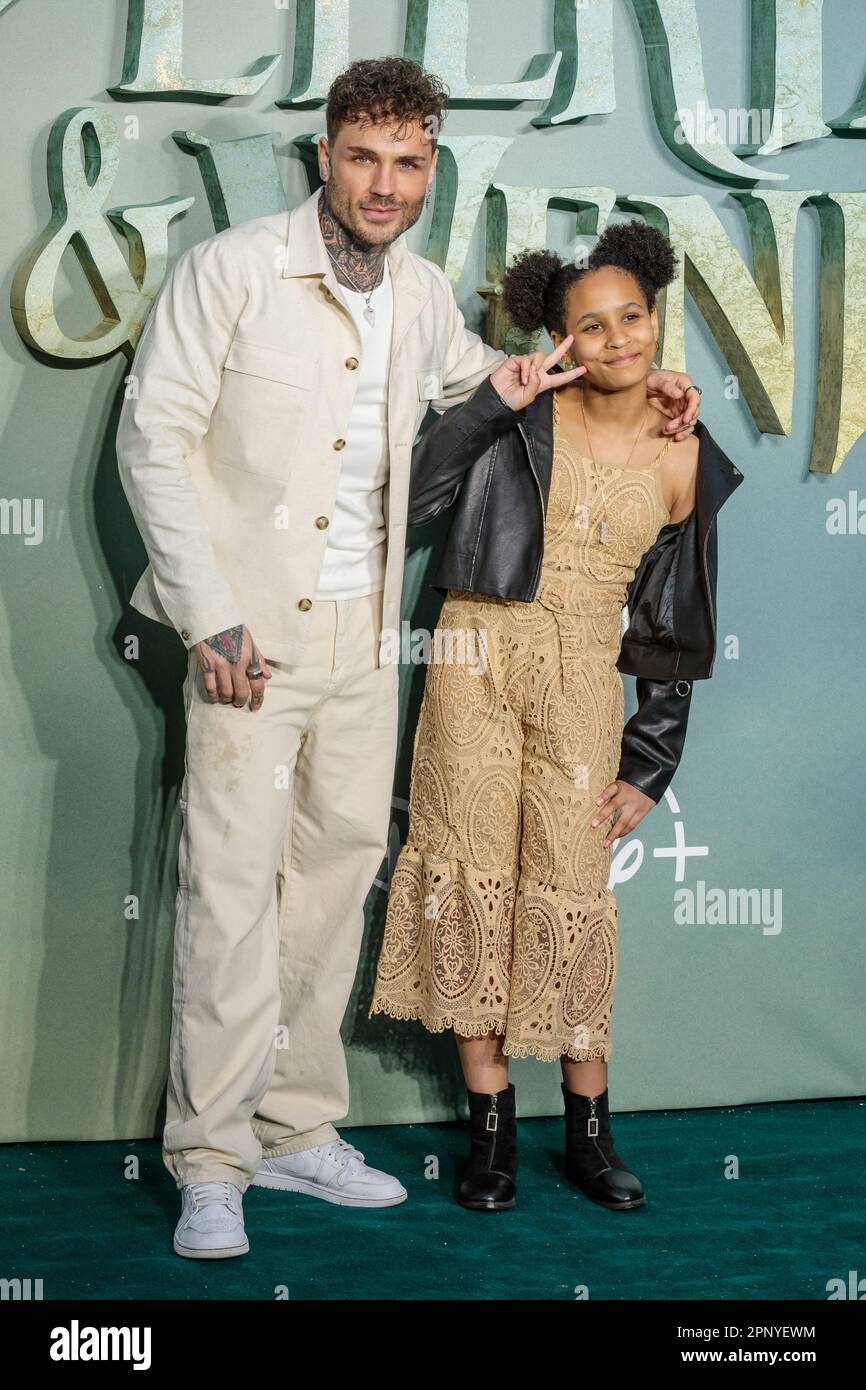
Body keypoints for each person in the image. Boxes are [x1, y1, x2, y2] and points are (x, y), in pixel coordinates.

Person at [117, 53, 702, 1257]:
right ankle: (212, 1159)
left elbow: (497, 398)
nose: (384, 183)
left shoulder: (425, 294)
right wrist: (204, 611)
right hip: (245, 639)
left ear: (428, 169)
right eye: (363, 157)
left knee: (332, 886)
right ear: (323, 157)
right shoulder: (229, 272)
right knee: (232, 896)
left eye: (408, 162)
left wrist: (644, 388)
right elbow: (152, 438)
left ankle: (292, 1128)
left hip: (362, 643)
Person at [369, 221, 744, 1213]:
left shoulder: (684, 451)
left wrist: (650, 760)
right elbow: (408, 507)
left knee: (573, 900)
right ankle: (488, 1129)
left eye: (631, 316)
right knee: (467, 879)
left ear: (654, 316)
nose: (617, 337)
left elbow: (673, 623)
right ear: (558, 335)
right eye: (591, 323)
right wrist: (491, 405)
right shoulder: (519, 413)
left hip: (584, 681)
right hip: (473, 658)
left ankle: (588, 1130)